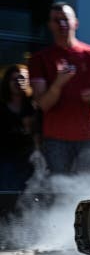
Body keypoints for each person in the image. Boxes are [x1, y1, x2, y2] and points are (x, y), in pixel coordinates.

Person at [27, 2, 90, 175]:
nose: (62, 24)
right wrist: (59, 83)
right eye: (56, 20)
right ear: (50, 25)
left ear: (76, 23)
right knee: (60, 187)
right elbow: (42, 104)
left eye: (65, 19)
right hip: (56, 140)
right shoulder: (39, 59)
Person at [0, 65, 38, 193]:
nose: (18, 82)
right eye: (14, 79)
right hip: (6, 158)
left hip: (30, 158)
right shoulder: (2, 106)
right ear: (7, 82)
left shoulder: (35, 104)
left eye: (22, 78)